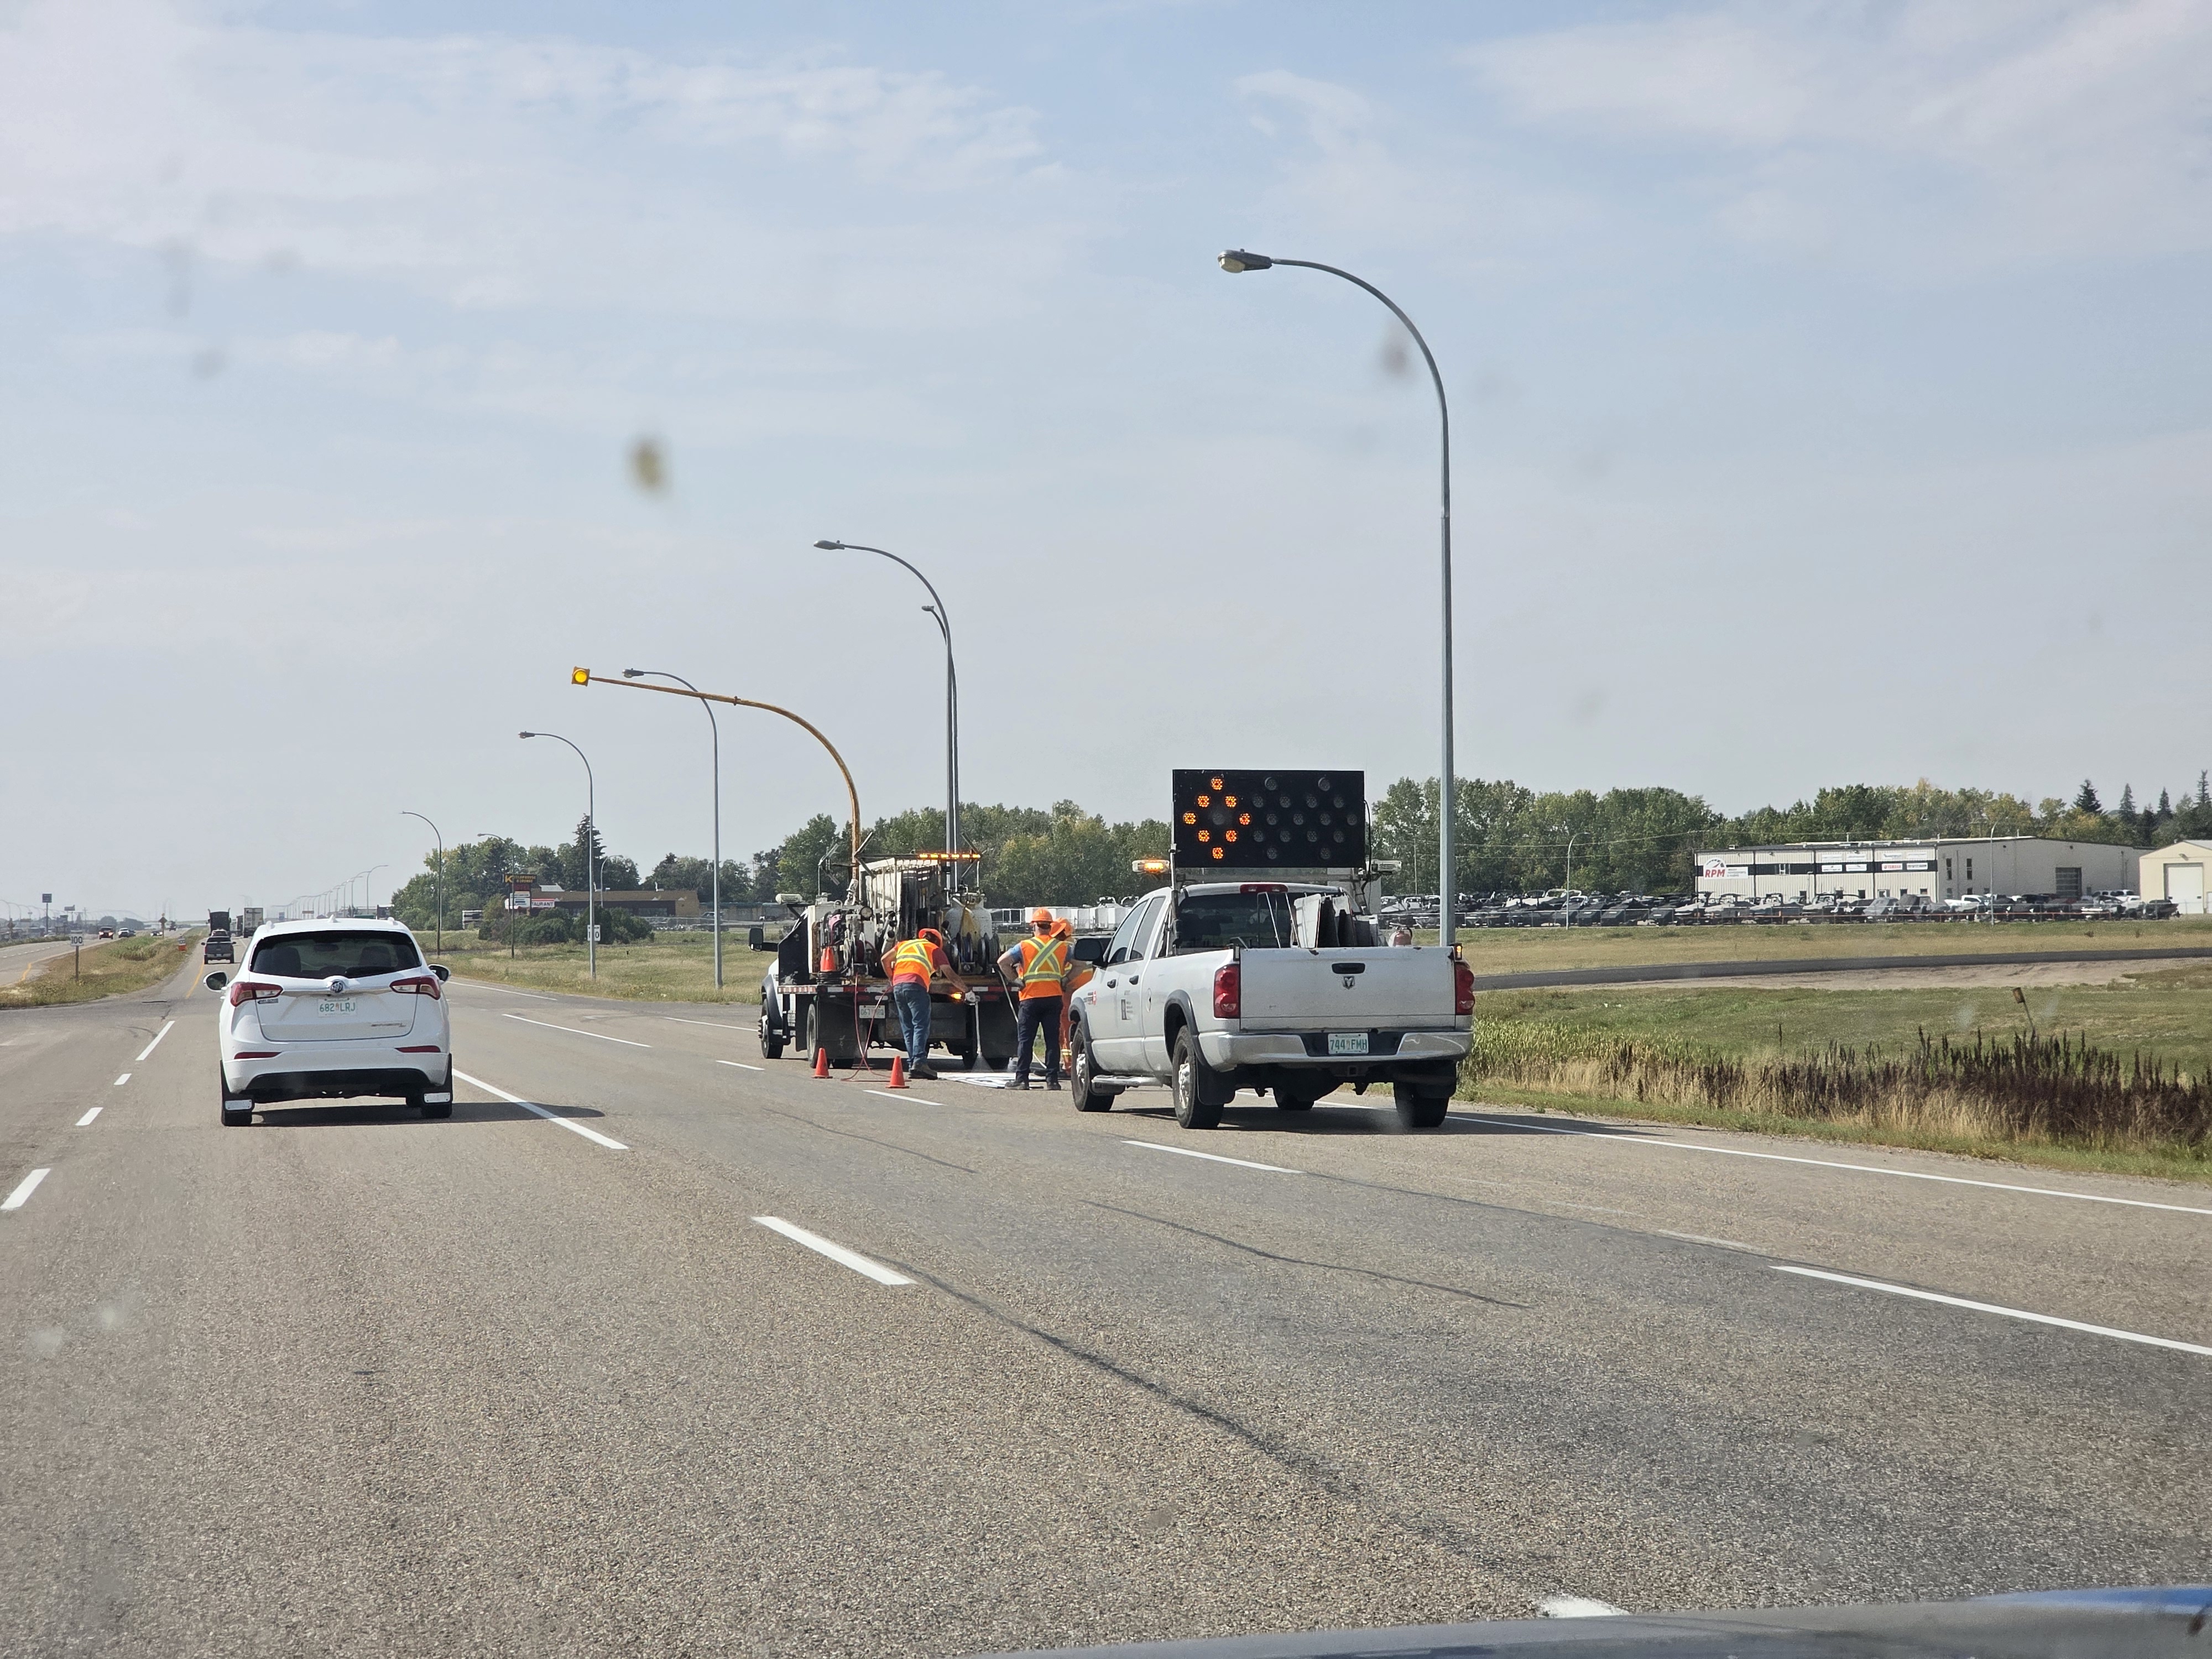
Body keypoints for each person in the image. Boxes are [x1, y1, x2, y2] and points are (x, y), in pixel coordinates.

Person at [997, 907, 1071, 1090]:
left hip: (1030, 998)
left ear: (1035, 927)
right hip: (1053, 998)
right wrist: (1065, 979)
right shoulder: (1062, 947)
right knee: (1052, 1041)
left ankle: (1022, 1079)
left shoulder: (1024, 947)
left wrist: (1015, 980)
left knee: (1026, 1041)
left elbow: (1002, 962)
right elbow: (1080, 964)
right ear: (1050, 927)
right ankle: (1052, 1081)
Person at [879, 926, 956, 1080]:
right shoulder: (934, 949)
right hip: (916, 986)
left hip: (899, 988)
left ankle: (913, 1063)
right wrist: (966, 990)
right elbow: (949, 972)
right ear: (937, 942)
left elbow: (884, 959)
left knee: (908, 1028)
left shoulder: (904, 944)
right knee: (920, 1025)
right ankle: (919, 1063)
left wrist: (892, 978)